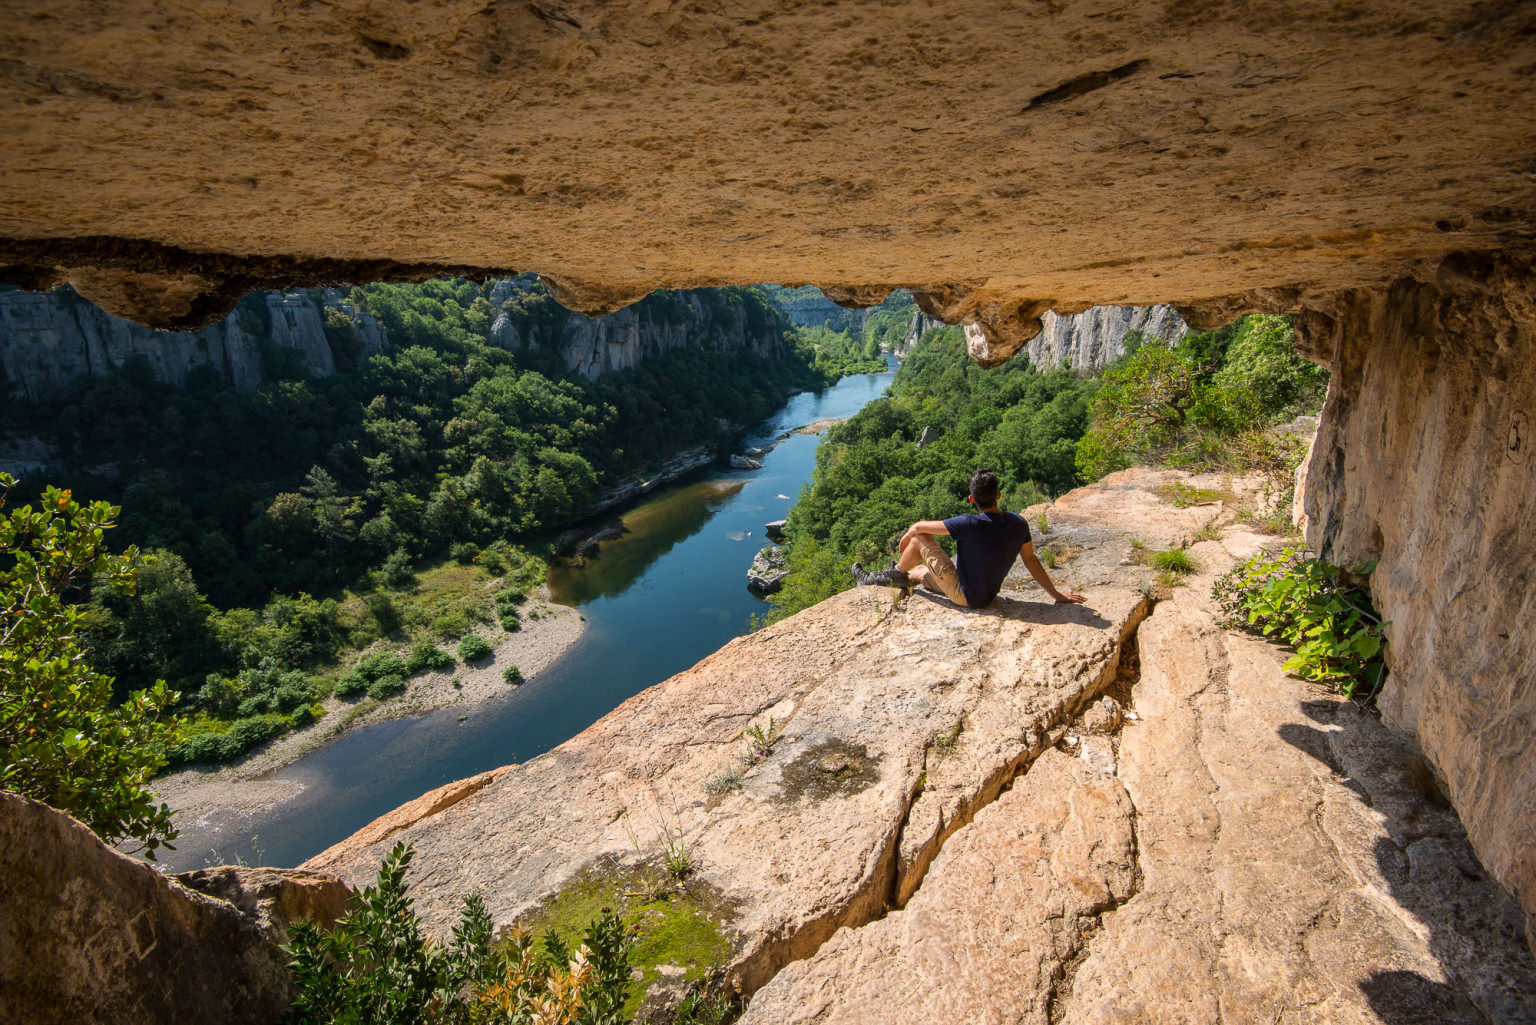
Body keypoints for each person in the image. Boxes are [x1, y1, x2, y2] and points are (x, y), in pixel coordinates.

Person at [853, 469, 1086, 608]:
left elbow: (919, 528)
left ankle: (882, 578)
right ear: (998, 495)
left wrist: (909, 533)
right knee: (921, 572)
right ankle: (903, 577)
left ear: (971, 499)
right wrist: (1056, 595)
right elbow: (1031, 561)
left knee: (919, 539)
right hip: (984, 594)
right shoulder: (1018, 523)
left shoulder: (968, 523)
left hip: (965, 595)